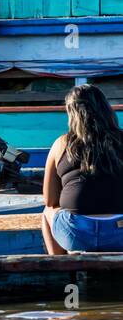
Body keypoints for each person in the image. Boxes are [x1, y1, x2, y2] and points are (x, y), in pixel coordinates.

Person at [42, 84, 123, 254]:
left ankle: (62, 269)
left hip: (76, 234)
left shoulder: (61, 144)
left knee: (47, 212)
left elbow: (50, 201)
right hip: (120, 232)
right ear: (106, 109)